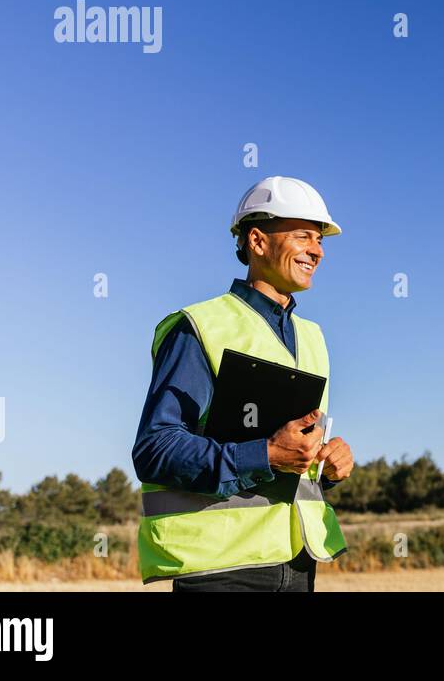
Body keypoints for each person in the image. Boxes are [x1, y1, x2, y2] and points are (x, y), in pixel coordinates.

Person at [132, 175, 354, 591]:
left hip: (299, 562)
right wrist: (266, 455)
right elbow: (155, 449)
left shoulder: (313, 338)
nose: (317, 250)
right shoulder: (200, 326)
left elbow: (291, 462)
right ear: (257, 241)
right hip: (223, 568)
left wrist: (327, 467)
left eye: (321, 240)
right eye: (304, 235)